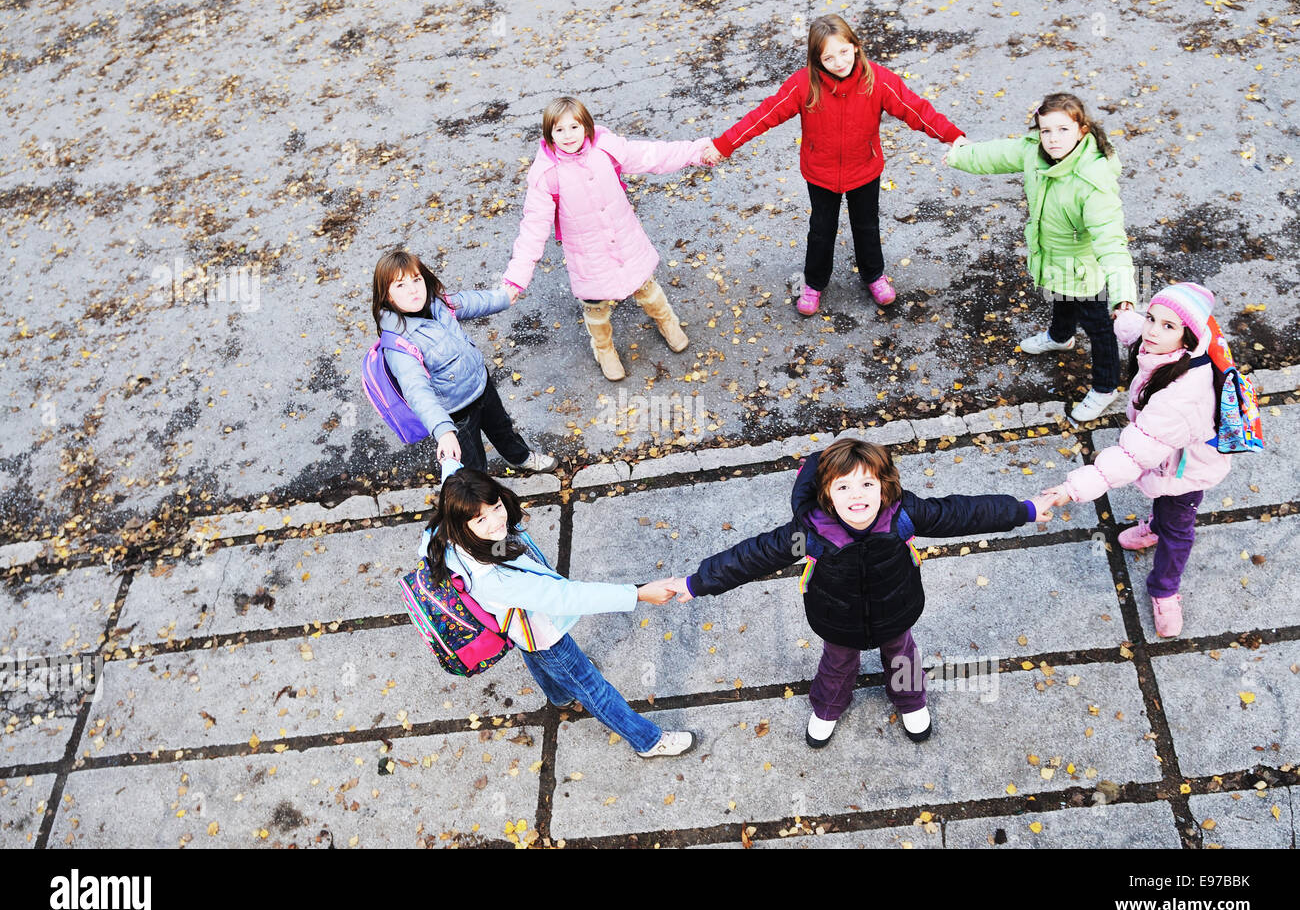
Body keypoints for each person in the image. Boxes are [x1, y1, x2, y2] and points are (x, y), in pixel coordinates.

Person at [659, 438, 1055, 748]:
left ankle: (910, 701)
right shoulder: (808, 535)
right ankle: (829, 707)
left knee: (902, 654)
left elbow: (964, 513)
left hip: (895, 608)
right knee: (837, 664)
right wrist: (697, 583)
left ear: (884, 486)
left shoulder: (902, 515)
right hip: (837, 617)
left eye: (867, 483)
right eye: (843, 486)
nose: (856, 495)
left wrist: (1025, 509)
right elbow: (752, 556)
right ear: (826, 493)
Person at [702, 14, 966, 316]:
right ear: (816, 60)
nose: (839, 62)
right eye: (828, 57)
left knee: (866, 226)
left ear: (855, 46)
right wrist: (724, 144)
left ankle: (874, 275)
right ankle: (814, 282)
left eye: (843, 51)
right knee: (821, 230)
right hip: (821, 173)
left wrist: (952, 136)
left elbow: (915, 109)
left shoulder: (877, 80)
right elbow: (764, 115)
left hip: (864, 169)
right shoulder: (803, 85)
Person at [433, 468, 696, 758]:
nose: (497, 521)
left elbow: (455, 480)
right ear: (461, 521)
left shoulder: (448, 535)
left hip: (518, 627)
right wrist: (638, 593)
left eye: (496, 507)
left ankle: (561, 696)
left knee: (533, 653)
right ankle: (647, 741)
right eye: (481, 519)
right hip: (544, 632)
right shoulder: (496, 579)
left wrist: (447, 450)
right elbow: (566, 597)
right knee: (595, 691)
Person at [1043, 283, 1231, 637]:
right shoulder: (1174, 345)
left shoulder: (1181, 397)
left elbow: (1133, 454)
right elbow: (1137, 333)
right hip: (1169, 456)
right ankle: (1156, 526)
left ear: (1189, 336)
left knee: (1179, 528)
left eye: (1168, 326)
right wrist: (1126, 314)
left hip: (1185, 470)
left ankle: (1165, 590)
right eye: (1151, 318)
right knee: (1164, 506)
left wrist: (1073, 489)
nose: (1152, 331)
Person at [944, 92, 1138, 422]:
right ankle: (1060, 337)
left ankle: (1105, 387)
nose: (1053, 139)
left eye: (1063, 130)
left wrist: (1124, 298)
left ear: (1082, 130)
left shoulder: (1093, 183)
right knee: (1061, 298)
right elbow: (995, 155)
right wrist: (958, 154)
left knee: (1098, 327)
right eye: (1046, 130)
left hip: (1084, 270)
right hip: (1055, 257)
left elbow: (1112, 242)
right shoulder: (1034, 150)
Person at [503, 96, 711, 381]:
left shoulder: (607, 149)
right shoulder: (546, 176)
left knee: (646, 287)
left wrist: (698, 152)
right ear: (549, 134)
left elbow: (653, 155)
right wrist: (516, 279)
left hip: (625, 240)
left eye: (574, 127)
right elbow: (532, 228)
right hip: (588, 254)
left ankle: (667, 321)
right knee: (596, 307)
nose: (568, 136)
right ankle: (604, 348)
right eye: (559, 130)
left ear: (586, 126)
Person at [372, 249, 556, 476]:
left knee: (503, 429)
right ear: (388, 296)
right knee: (473, 464)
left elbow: (469, 302)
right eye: (400, 285)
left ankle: (520, 457)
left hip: (480, 384)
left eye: (416, 279)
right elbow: (416, 391)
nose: (413, 290)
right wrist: (443, 431)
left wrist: (502, 297)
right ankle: (486, 499)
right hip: (456, 412)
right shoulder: (399, 344)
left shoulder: (437, 303)